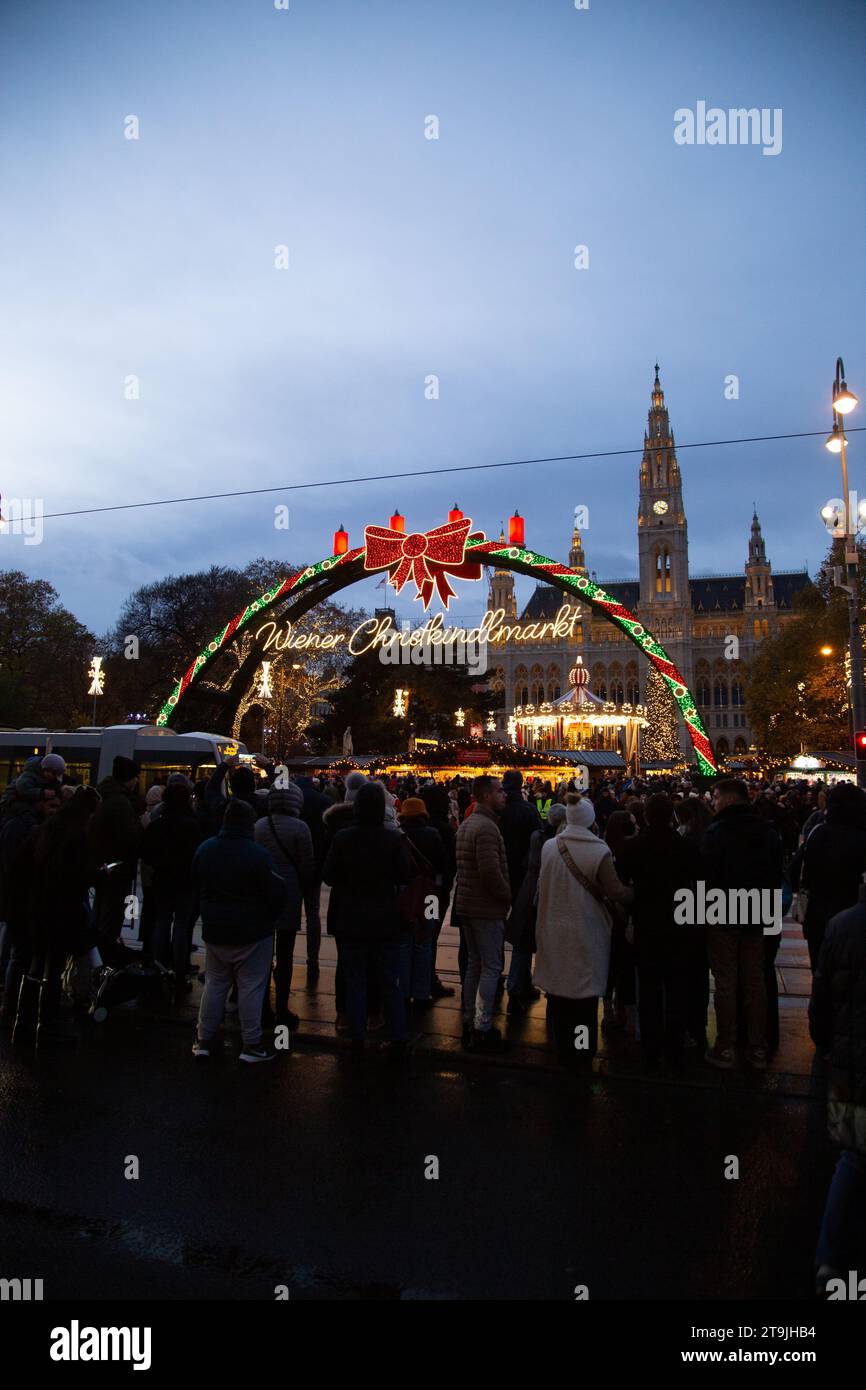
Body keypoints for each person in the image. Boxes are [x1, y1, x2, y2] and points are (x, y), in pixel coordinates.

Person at [534, 796, 633, 1071]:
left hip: (554, 924)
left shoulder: (550, 846)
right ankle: (581, 1049)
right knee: (584, 998)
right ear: (590, 820)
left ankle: (562, 1045)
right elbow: (615, 892)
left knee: (560, 993)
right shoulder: (598, 850)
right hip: (585, 928)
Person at [192, 799, 287, 1064]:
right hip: (252, 929)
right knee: (251, 987)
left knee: (215, 983)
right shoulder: (258, 854)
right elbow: (275, 891)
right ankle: (251, 1043)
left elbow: (196, 882)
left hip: (216, 927)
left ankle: (204, 1040)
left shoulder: (206, 849)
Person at [321, 781, 412, 1054]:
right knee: (388, 980)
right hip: (384, 917)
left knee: (355, 980)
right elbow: (405, 875)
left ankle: (357, 1035)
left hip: (352, 917)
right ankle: (398, 1035)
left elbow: (328, 875)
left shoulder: (343, 838)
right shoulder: (392, 838)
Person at [701, 778, 783, 1071]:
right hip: (757, 911)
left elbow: (707, 876)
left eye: (717, 797)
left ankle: (726, 1046)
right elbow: (777, 873)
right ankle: (757, 1048)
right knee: (754, 980)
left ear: (730, 800)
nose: (713, 802)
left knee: (726, 981)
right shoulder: (767, 830)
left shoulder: (716, 831)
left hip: (724, 913)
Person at [809, 879, 866, 1293]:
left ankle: (830, 1259)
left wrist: (825, 1045)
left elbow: (822, 997)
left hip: (850, 1065)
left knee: (853, 1159)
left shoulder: (841, 925)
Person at [620, 794, 701, 1070]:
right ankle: (675, 1044)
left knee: (649, 988)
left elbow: (623, 883)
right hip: (679, 924)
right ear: (672, 817)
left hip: (646, 924)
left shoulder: (634, 846)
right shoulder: (687, 847)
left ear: (645, 816)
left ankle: (652, 1046)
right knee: (677, 988)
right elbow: (699, 882)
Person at [455, 775, 511, 1051]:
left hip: (467, 903)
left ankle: (469, 1018)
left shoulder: (468, 823)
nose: (505, 795)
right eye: (500, 792)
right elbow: (490, 871)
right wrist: (506, 896)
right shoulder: (487, 828)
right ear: (487, 795)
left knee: (474, 964)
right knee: (491, 966)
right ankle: (482, 1025)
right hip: (485, 907)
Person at [254, 783, 314, 1029]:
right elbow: (307, 866)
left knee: (262, 953)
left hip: (263, 893)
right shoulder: (301, 828)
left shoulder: (259, 825)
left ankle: (261, 1008)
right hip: (289, 893)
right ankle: (282, 1008)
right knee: (286, 953)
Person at [141, 781, 203, 1004]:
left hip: (162, 880)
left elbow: (146, 854)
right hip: (185, 881)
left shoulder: (157, 824)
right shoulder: (192, 824)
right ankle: (179, 971)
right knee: (181, 926)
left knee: (161, 922)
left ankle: (159, 968)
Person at [800, 783, 866, 972]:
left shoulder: (819, 833)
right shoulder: (862, 836)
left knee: (822, 973)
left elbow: (803, 872)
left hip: (820, 915)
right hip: (857, 914)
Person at [86, 755, 141, 950]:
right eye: (135, 777)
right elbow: (129, 838)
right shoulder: (121, 803)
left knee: (100, 910)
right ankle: (104, 956)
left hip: (103, 866)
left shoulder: (103, 796)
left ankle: (95, 954)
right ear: (129, 778)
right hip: (117, 868)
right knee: (112, 915)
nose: (137, 782)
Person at [499, 770, 543, 1013]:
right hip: (523, 876)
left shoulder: (497, 808)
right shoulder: (527, 810)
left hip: (498, 872)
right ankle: (518, 983)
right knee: (523, 930)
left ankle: (495, 979)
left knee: (495, 929)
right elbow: (538, 839)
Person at [396, 796, 445, 1007]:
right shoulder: (433, 834)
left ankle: (404, 992)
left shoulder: (399, 836)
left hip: (405, 894)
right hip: (430, 894)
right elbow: (443, 864)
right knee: (426, 939)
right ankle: (422, 992)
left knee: (405, 942)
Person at [294, 774, 330, 980]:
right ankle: (312, 958)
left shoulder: (295, 801)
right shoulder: (323, 801)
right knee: (313, 913)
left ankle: (283, 956)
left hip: (292, 865)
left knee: (287, 914)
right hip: (315, 864)